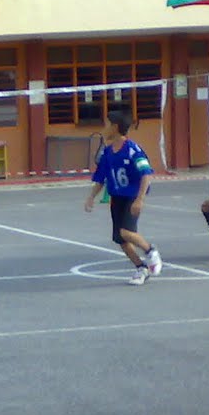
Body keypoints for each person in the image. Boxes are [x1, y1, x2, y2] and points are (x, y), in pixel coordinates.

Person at [84, 112, 161, 286]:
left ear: (115, 127)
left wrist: (140, 199)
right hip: (117, 198)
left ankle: (151, 251)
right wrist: (91, 197)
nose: (104, 128)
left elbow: (146, 174)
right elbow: (101, 177)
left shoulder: (132, 149)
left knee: (126, 231)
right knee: (121, 239)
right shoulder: (108, 152)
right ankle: (141, 268)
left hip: (131, 196)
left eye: (106, 124)